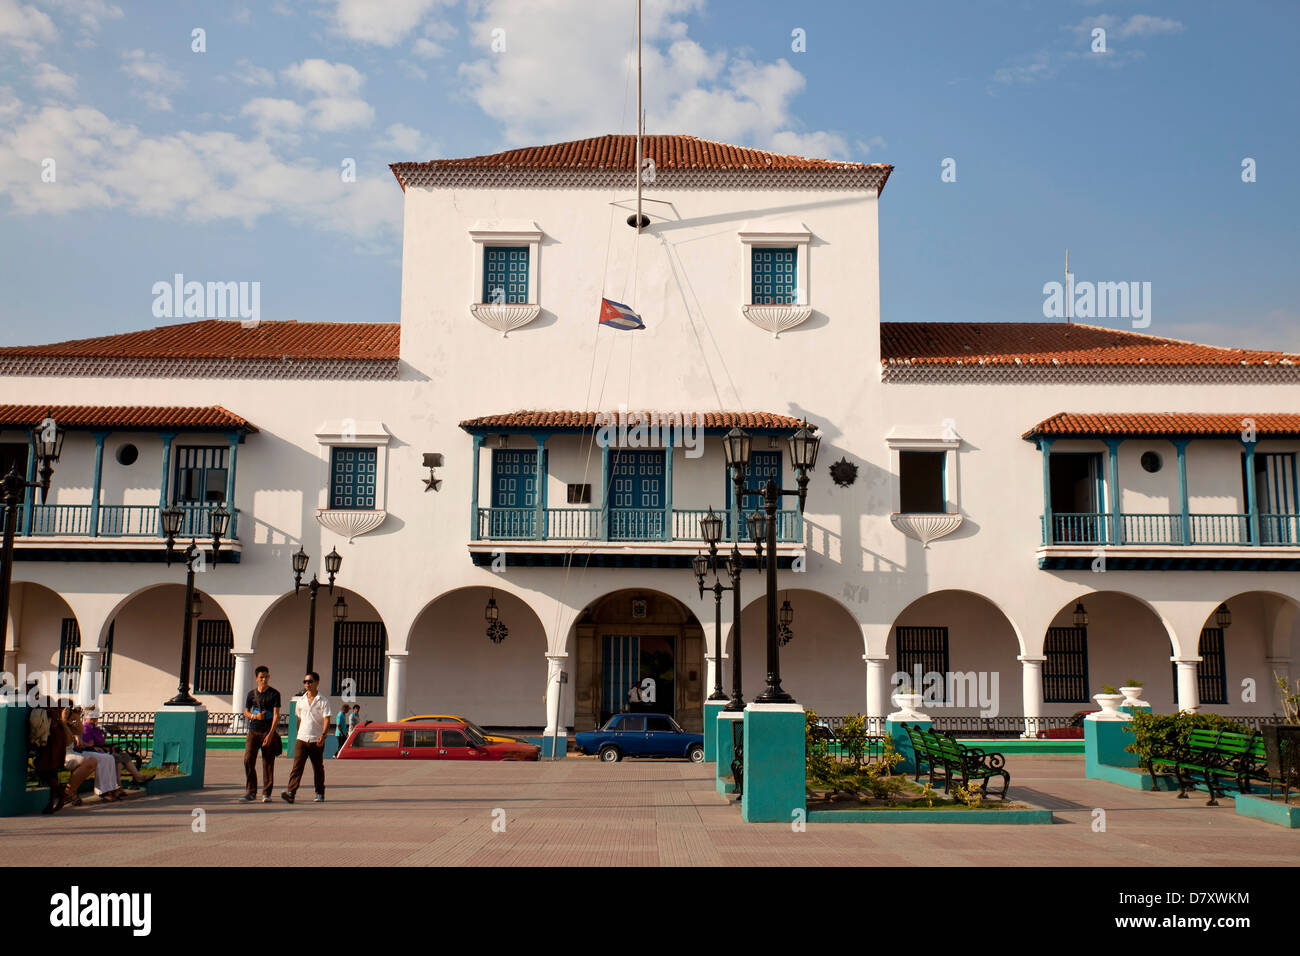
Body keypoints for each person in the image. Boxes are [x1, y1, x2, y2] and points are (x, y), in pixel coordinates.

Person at [283, 672, 330, 803]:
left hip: (316, 739)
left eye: (310, 681)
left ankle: (319, 793)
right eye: (305, 682)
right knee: (297, 767)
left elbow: (326, 719)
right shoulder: (301, 701)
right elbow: (299, 719)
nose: (307, 684)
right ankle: (291, 793)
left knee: (318, 768)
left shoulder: (323, 701)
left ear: (317, 682)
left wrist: (324, 734)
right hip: (302, 739)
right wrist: (300, 734)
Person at [81, 706, 155, 789]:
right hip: (96, 752)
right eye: (91, 715)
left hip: (104, 750)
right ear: (86, 716)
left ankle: (138, 777)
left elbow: (102, 742)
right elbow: (91, 745)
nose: (94, 718)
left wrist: (110, 747)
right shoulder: (86, 728)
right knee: (117, 758)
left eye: (95, 715)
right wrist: (106, 748)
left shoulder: (95, 728)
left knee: (124, 756)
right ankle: (118, 785)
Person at [63, 706, 123, 802]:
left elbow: (80, 732)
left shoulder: (70, 724)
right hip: (68, 753)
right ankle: (103, 791)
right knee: (98, 760)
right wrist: (64, 720)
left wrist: (77, 718)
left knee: (108, 758)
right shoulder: (60, 724)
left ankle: (111, 788)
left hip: (77, 751)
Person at [242, 665, 281, 802]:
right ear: (256, 678)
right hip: (253, 731)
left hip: (267, 731)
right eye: (261, 677)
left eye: (266, 677)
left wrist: (271, 734)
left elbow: (276, 715)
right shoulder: (251, 694)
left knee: (268, 762)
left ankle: (267, 793)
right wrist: (254, 717)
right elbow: (246, 711)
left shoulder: (274, 694)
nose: (264, 679)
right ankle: (251, 791)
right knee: (248, 759)